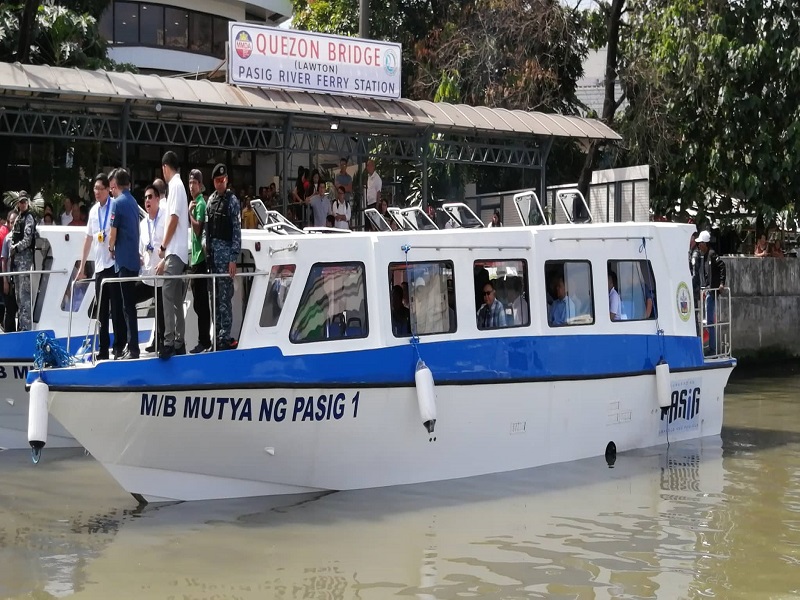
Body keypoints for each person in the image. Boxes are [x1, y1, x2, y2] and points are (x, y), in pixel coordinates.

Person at [78, 173, 128, 360]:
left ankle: (118, 346)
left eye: (100, 188)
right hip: (99, 267)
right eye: (95, 189)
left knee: (117, 308)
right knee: (101, 311)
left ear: (108, 189)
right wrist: (82, 267)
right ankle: (104, 348)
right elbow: (88, 239)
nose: (97, 192)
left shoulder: (114, 206)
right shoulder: (93, 212)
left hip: (113, 264)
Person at [156, 150, 190, 359]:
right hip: (178, 251)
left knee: (167, 294)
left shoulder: (175, 186)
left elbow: (174, 219)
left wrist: (163, 246)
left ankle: (169, 341)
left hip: (174, 251)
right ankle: (179, 342)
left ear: (165, 168)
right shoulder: (178, 186)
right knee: (176, 299)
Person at [205, 163, 241, 350]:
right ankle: (216, 336)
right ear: (214, 182)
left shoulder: (232, 201)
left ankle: (225, 336)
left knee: (225, 299)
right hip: (213, 258)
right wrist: (207, 251)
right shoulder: (210, 201)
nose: (221, 183)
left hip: (226, 258)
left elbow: (236, 231)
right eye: (218, 181)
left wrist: (233, 258)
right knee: (215, 299)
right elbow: (207, 231)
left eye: (223, 180)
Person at [107, 167, 141, 359]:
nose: (111, 191)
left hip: (124, 262)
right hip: (133, 261)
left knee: (127, 307)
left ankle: (133, 347)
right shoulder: (134, 202)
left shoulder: (117, 203)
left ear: (116, 186)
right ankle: (132, 344)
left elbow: (113, 233)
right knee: (130, 306)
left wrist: (111, 248)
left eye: (112, 187)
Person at [135, 185, 166, 353]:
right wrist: (139, 257)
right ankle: (131, 339)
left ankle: (161, 344)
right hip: (147, 276)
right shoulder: (142, 223)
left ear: (157, 199)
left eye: (150, 197)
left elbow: (170, 245)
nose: (147, 200)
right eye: (145, 197)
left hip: (161, 275)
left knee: (161, 314)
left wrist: (165, 261)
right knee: (129, 299)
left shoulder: (165, 219)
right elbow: (141, 248)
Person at [187, 169, 212, 354]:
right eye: (189, 183)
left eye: (194, 183)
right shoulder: (198, 203)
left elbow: (198, 229)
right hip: (196, 258)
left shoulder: (200, 204)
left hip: (200, 260)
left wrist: (190, 213)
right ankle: (204, 339)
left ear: (200, 184)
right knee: (198, 303)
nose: (191, 186)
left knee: (201, 303)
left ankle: (204, 340)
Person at [694, 230, 726, 354]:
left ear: (705, 243)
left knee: (710, 322)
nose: (698, 246)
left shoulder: (712, 255)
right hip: (708, 291)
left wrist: (722, 283)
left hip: (712, 292)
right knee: (707, 322)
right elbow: (706, 276)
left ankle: (713, 349)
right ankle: (711, 347)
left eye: (700, 243)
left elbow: (722, 266)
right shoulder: (705, 256)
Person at [9, 191, 36, 331]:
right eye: (21, 202)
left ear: (28, 202)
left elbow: (27, 240)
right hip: (17, 262)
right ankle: (21, 327)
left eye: (25, 202)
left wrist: (15, 248)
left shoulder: (29, 218)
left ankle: (26, 328)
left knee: (24, 297)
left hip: (25, 261)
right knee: (19, 297)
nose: (23, 204)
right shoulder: (19, 217)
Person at [1, 210, 18, 332]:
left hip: (20, 281)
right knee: (10, 311)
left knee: (21, 311)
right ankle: (8, 335)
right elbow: (4, 260)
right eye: (11, 222)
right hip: (9, 280)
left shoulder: (23, 238)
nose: (13, 225)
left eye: (15, 222)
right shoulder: (7, 238)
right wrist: (5, 281)